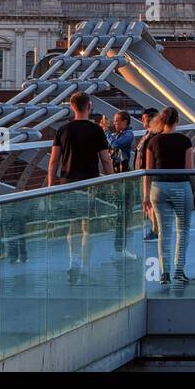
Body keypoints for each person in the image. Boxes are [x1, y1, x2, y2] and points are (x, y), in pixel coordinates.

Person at [48, 91, 113, 284]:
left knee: (72, 226)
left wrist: (51, 186)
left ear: (71, 107)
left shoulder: (63, 130)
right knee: (87, 228)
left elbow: (53, 161)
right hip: (89, 184)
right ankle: (84, 268)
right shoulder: (96, 131)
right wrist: (111, 181)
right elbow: (106, 159)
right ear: (89, 106)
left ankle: (73, 263)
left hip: (67, 184)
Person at [143, 107, 195, 286]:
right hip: (181, 186)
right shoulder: (185, 141)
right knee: (183, 230)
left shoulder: (153, 141)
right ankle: (179, 270)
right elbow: (190, 169)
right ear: (177, 121)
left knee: (164, 231)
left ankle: (164, 273)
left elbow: (148, 172)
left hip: (158, 187)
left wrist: (146, 196)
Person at [133, 108, 161, 238]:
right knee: (148, 202)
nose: (142, 120)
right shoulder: (147, 134)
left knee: (150, 201)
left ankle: (155, 230)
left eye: (143, 118)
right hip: (143, 173)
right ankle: (154, 228)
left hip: (150, 174)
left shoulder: (154, 136)